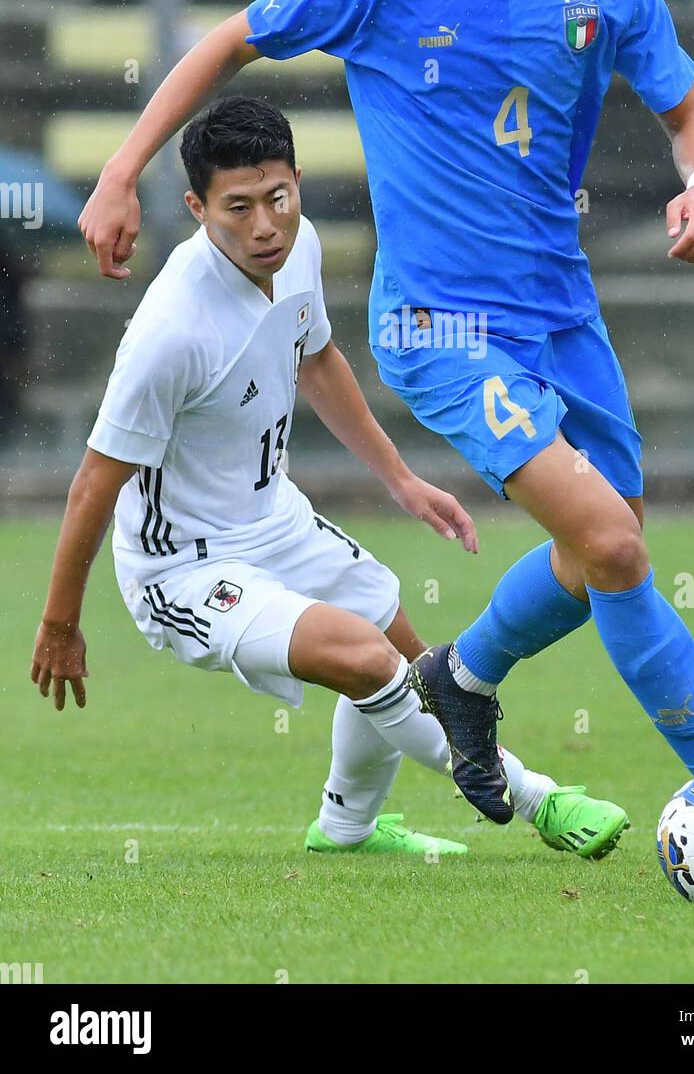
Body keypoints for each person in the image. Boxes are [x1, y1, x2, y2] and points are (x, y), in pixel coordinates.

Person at [76, 0, 694, 877]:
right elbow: (229, 40)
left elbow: (689, 117)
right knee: (611, 542)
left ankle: (462, 675)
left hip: (560, 311)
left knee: (602, 549)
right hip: (439, 325)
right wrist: (118, 170)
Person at [32, 96, 628, 860]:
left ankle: (346, 827)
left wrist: (400, 479)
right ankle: (540, 797)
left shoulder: (299, 246)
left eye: (278, 197)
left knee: (405, 652)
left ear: (296, 182)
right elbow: (94, 481)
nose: (265, 226)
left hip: (276, 520)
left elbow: (317, 360)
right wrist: (60, 623)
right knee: (367, 659)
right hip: (182, 568)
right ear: (196, 208)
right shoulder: (172, 331)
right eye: (238, 208)